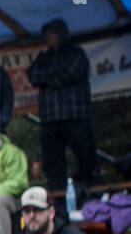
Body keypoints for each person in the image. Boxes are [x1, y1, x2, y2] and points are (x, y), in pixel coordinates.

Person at [26, 18, 98, 216]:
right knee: (53, 163)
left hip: (75, 115)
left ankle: (91, 199)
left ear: (62, 34)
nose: (48, 38)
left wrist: (48, 78)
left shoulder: (76, 53)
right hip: (50, 119)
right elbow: (33, 75)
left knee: (85, 158)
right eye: (46, 34)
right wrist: (52, 77)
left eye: (52, 33)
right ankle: (58, 205)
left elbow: (70, 74)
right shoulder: (43, 57)